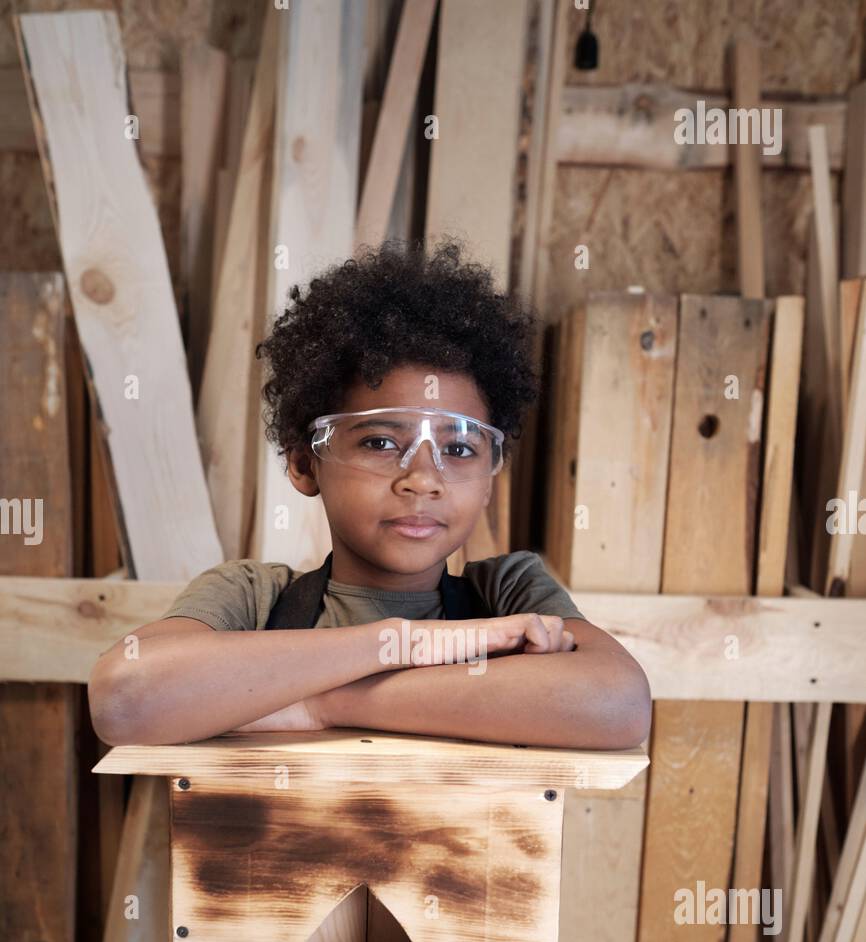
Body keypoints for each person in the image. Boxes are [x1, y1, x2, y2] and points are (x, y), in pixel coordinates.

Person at [88, 238, 651, 750]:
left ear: (488, 482)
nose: (422, 478)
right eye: (383, 441)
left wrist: (329, 703)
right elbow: (126, 698)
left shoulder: (507, 594)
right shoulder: (253, 599)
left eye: (458, 451)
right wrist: (398, 644)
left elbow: (618, 704)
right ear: (306, 463)